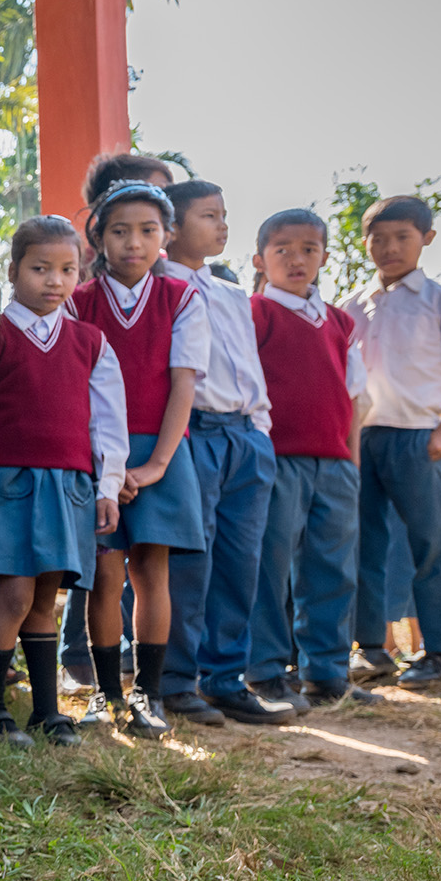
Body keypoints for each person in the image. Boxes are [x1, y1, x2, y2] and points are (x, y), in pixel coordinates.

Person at [0, 216, 128, 748]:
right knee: (11, 595)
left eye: (66, 270)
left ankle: (46, 713)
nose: (54, 281)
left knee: (44, 601)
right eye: (39, 268)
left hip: (70, 485)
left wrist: (108, 486)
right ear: (12, 271)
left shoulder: (90, 341)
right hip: (6, 481)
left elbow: (108, 418)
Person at [67, 182, 208, 737]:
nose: (134, 242)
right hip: (93, 448)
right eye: (120, 231)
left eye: (148, 230)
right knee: (103, 574)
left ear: (167, 236)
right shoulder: (77, 301)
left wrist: (153, 466)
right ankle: (104, 694)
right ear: (98, 237)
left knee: (152, 571)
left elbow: (183, 387)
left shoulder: (182, 298)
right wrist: (105, 465)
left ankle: (149, 694)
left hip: (159, 450)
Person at [341, 196, 441, 687]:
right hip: (363, 438)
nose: (389, 247)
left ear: (425, 238)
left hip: (419, 438)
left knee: (432, 544)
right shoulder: (352, 306)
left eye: (402, 237)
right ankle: (371, 648)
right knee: (363, 543)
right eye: (378, 238)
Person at [157, 180, 289, 722]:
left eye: (224, 215)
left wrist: (259, 430)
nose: (223, 226)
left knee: (242, 562)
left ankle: (225, 677)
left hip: (246, 439)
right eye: (209, 216)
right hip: (195, 435)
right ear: (173, 228)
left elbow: (248, 368)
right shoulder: (158, 288)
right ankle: (177, 680)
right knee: (191, 562)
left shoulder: (236, 296)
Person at [245, 209, 375, 705]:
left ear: (323, 256)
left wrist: (352, 462)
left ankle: (327, 673)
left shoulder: (340, 322)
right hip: (278, 458)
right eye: (283, 250)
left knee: (333, 568)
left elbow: (353, 399)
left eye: (309, 249)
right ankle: (265, 670)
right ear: (261, 258)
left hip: (336, 463)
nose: (297, 259)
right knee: (270, 567)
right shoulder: (255, 314)